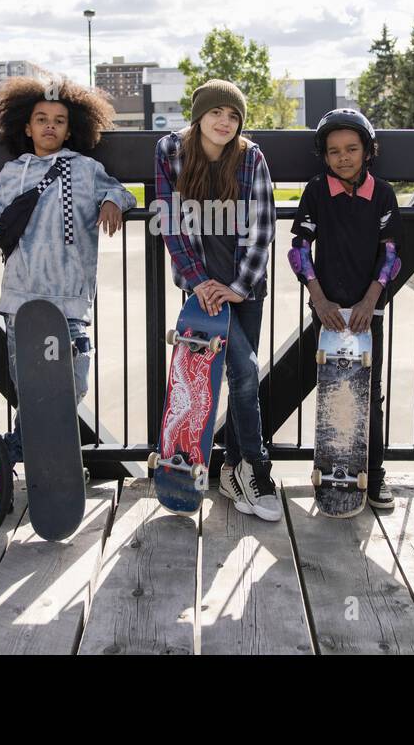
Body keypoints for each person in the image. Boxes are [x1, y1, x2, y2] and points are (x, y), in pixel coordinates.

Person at [0, 76, 135, 465]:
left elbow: (124, 191)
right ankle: (40, 464)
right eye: (41, 118)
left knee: (71, 385)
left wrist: (113, 199)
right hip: (22, 299)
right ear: (26, 128)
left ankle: (9, 450)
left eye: (59, 120)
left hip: (71, 302)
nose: (49, 125)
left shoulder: (87, 169)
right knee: (32, 388)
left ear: (71, 128)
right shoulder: (16, 172)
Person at [153, 79, 278, 520]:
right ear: (199, 116)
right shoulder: (171, 151)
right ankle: (256, 471)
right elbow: (170, 221)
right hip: (203, 292)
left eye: (234, 116)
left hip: (245, 287)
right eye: (216, 113)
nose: (225, 122)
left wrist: (238, 287)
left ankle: (231, 469)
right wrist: (200, 282)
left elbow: (262, 226)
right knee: (243, 373)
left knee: (242, 376)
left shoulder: (251, 156)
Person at [287, 108, 400, 509]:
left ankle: (375, 477)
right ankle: (336, 475)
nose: (344, 157)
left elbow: (391, 256)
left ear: (368, 151)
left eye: (352, 148)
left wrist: (371, 300)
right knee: (333, 391)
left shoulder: (382, 193)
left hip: (369, 314)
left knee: (370, 395)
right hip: (330, 311)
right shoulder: (317, 191)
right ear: (324, 155)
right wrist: (318, 299)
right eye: (334, 151)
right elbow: (298, 249)